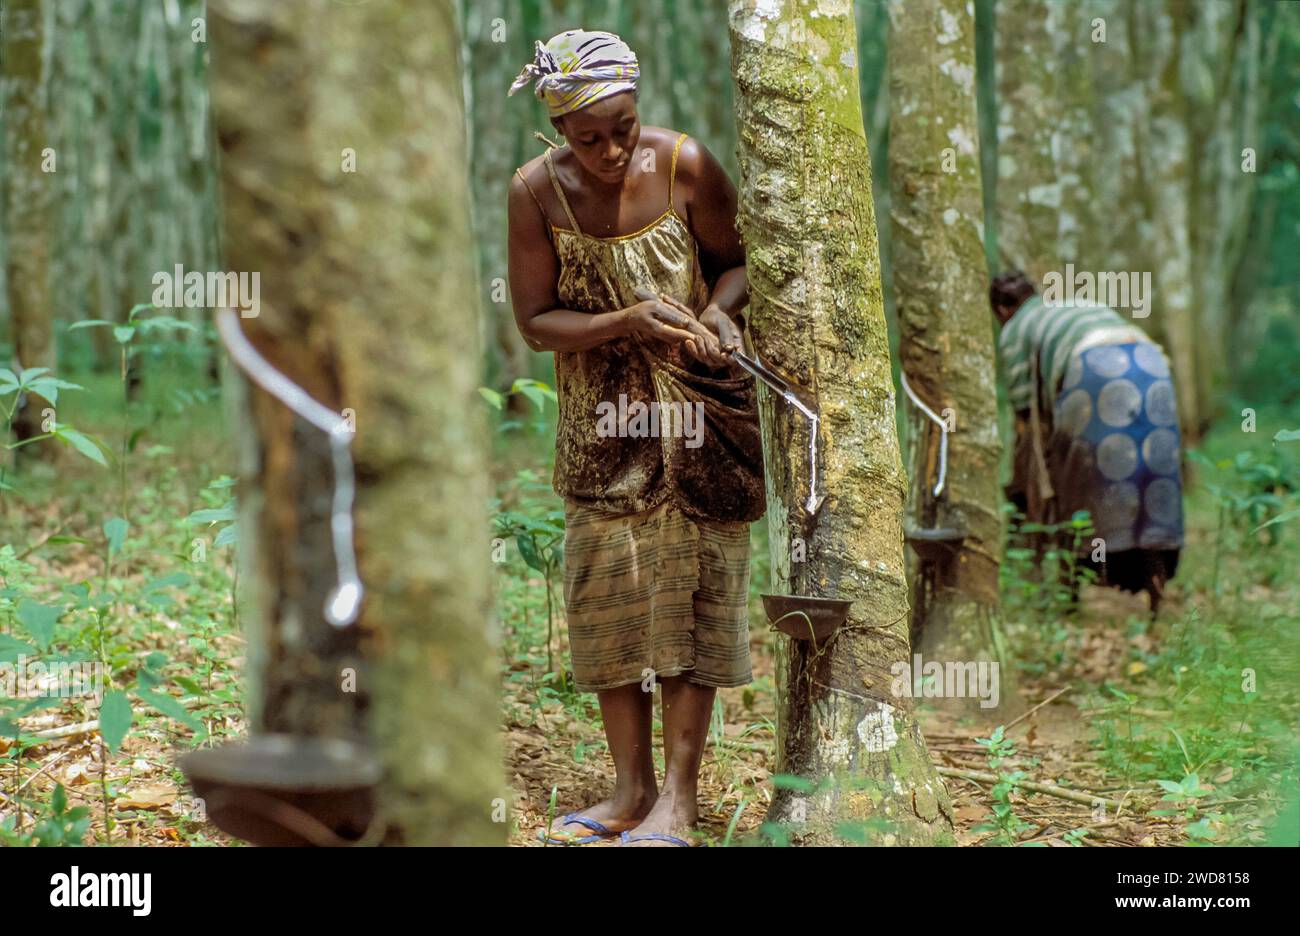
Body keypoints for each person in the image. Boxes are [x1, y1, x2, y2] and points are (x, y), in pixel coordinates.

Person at [506, 29, 765, 847]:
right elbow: (535, 323)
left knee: (693, 602)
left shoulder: (685, 164)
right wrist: (623, 322)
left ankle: (679, 803)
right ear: (558, 131)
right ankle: (628, 792)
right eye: (589, 138)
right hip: (603, 433)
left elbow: (740, 261)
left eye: (624, 126)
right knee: (610, 606)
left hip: (699, 422)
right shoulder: (534, 194)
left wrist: (718, 314)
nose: (613, 149)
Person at [991, 271, 1183, 612]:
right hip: (1149, 360)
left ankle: (1070, 594)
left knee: (1078, 479)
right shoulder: (1067, 305)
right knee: (1152, 473)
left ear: (1003, 311)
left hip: (1090, 368)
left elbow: (1026, 421)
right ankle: (1155, 589)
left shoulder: (1015, 330)